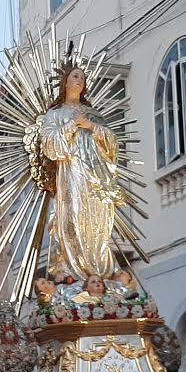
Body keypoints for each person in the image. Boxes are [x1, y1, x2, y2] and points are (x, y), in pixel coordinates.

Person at [39, 62, 121, 281]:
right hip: (72, 171)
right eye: (75, 76)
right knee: (75, 213)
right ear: (65, 82)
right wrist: (71, 126)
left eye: (82, 78)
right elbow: (49, 144)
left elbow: (113, 144)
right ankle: (74, 268)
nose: (79, 80)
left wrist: (92, 127)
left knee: (98, 219)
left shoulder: (92, 114)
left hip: (96, 173)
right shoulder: (55, 114)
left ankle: (99, 269)